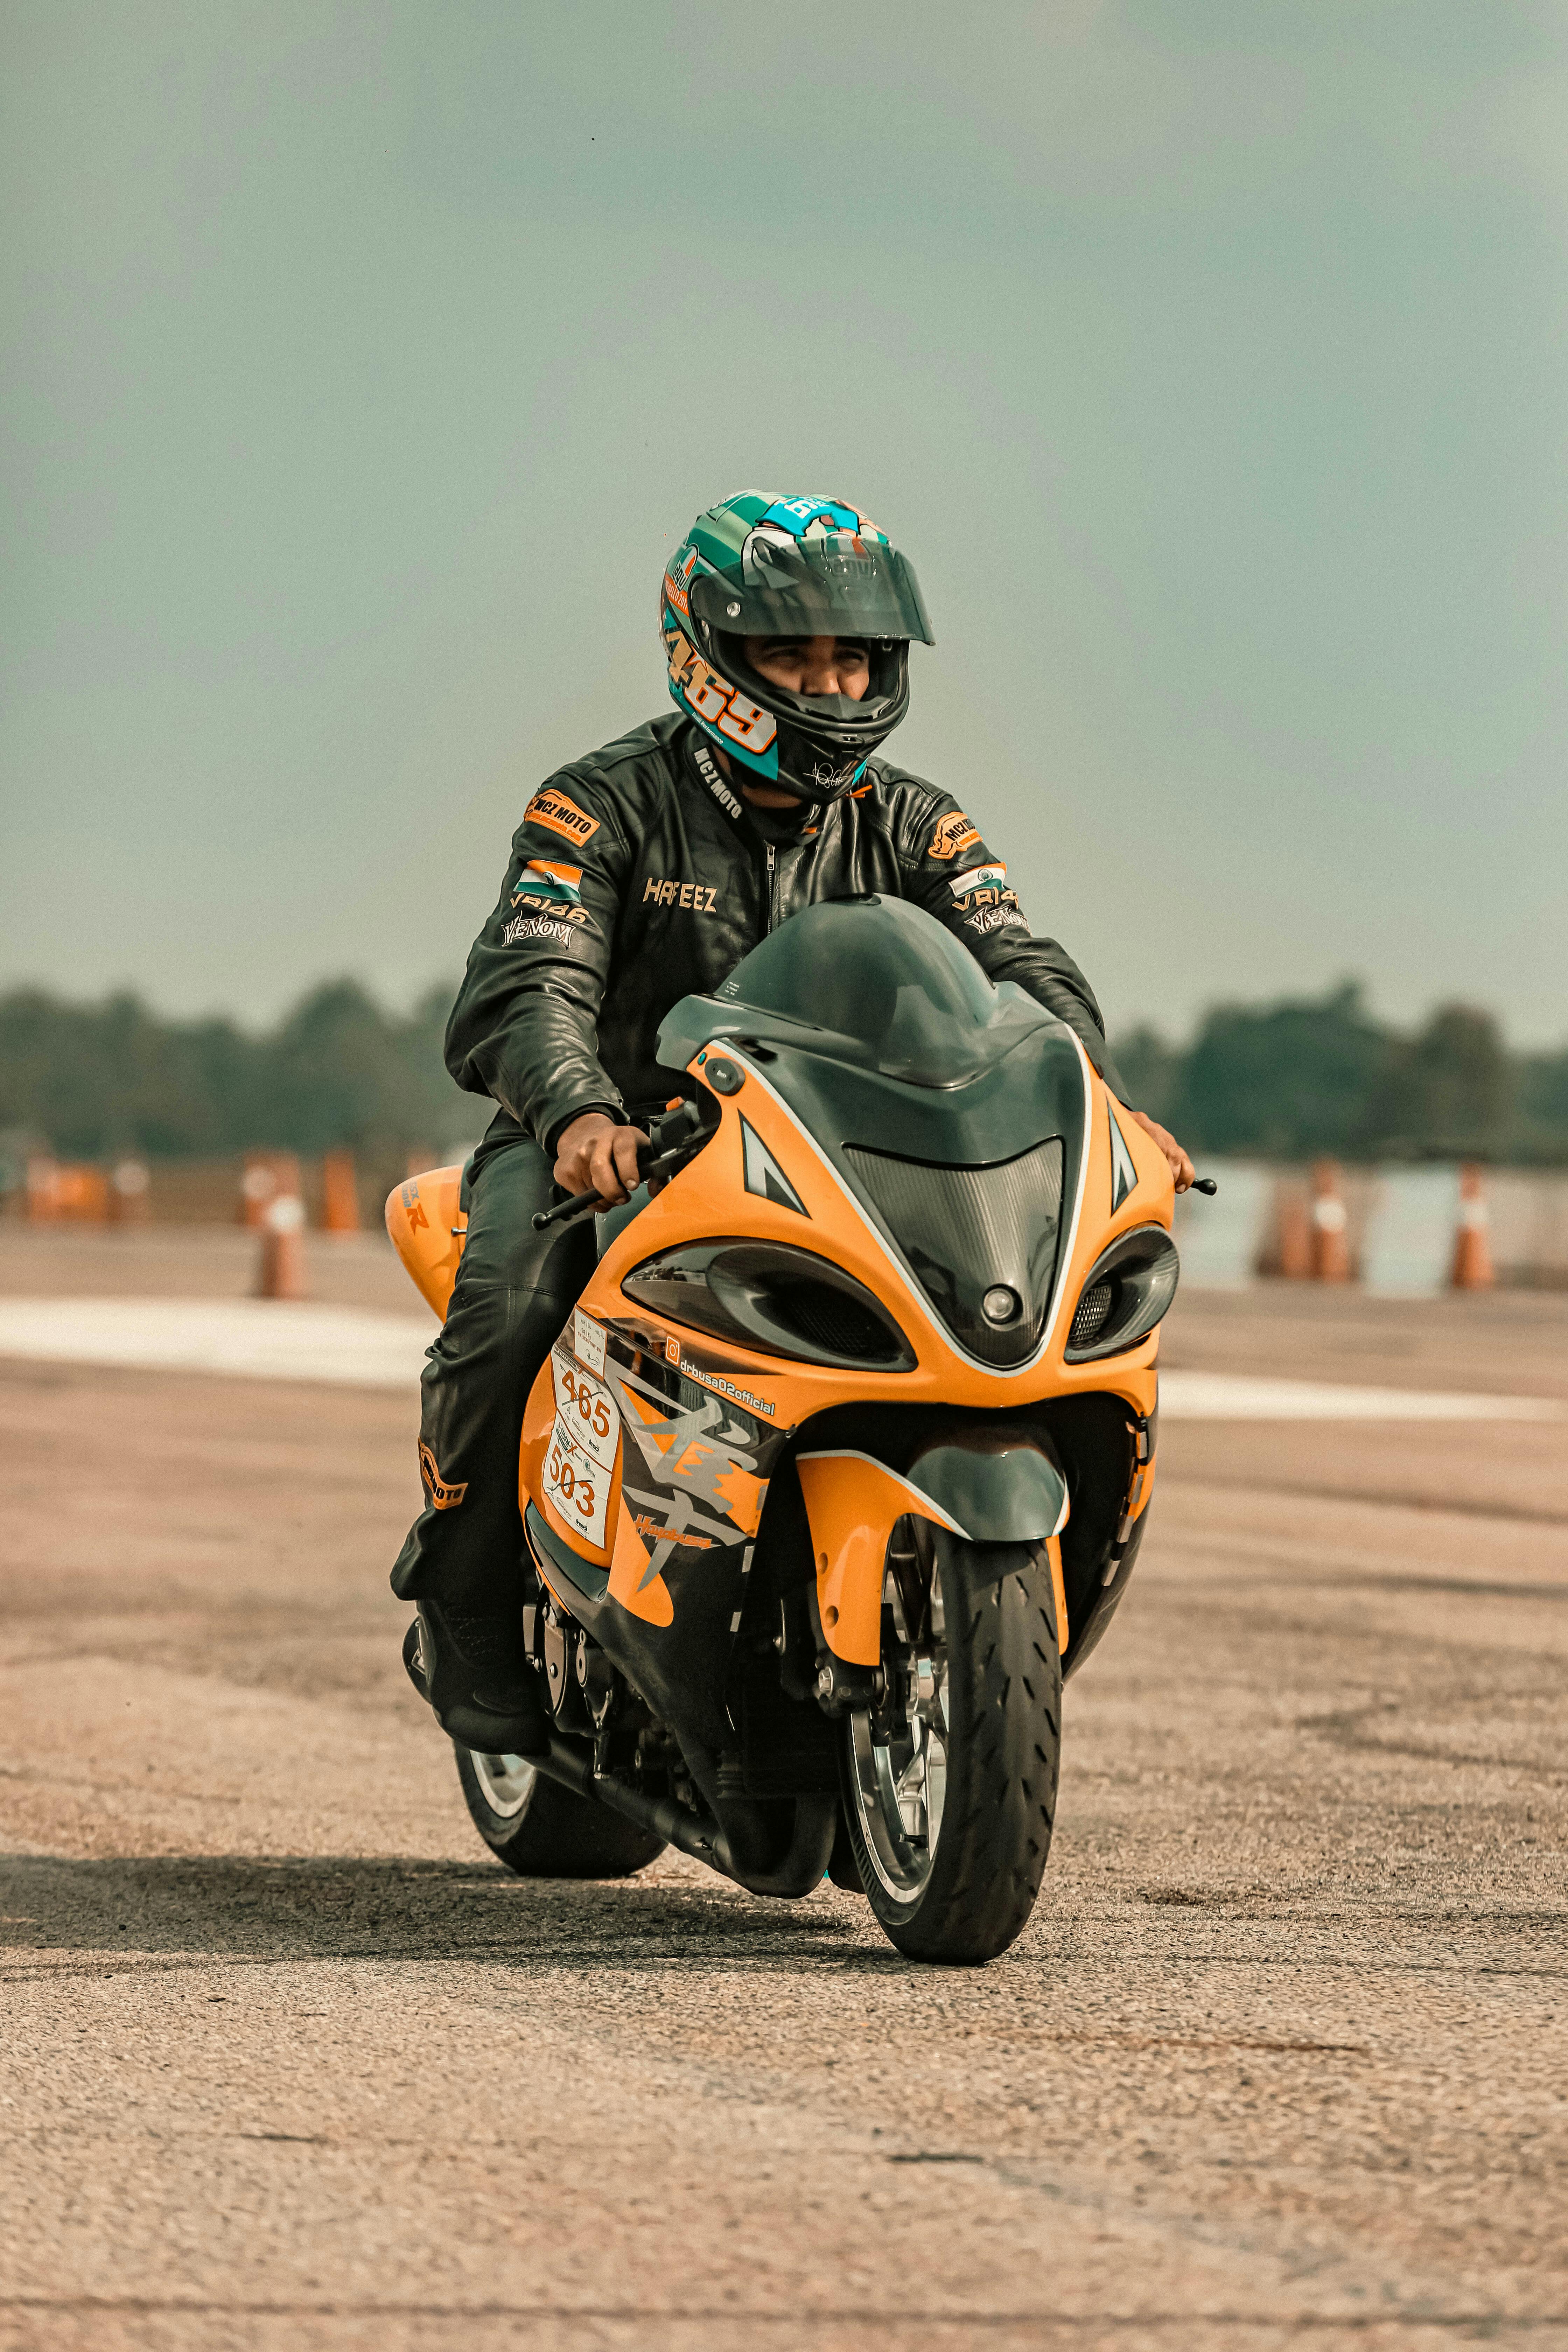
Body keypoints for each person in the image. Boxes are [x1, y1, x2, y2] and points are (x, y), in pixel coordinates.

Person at [394, 490, 1194, 1755]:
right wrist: (578, 1112)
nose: (831, 682)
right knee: (507, 1311)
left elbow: (1022, 968)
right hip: (627, 1147)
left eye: (856, 656)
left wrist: (1094, 1093)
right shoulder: (598, 806)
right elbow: (532, 984)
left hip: (842, 1157)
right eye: (794, 654)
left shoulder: (918, 822)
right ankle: (466, 1600)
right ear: (708, 653)